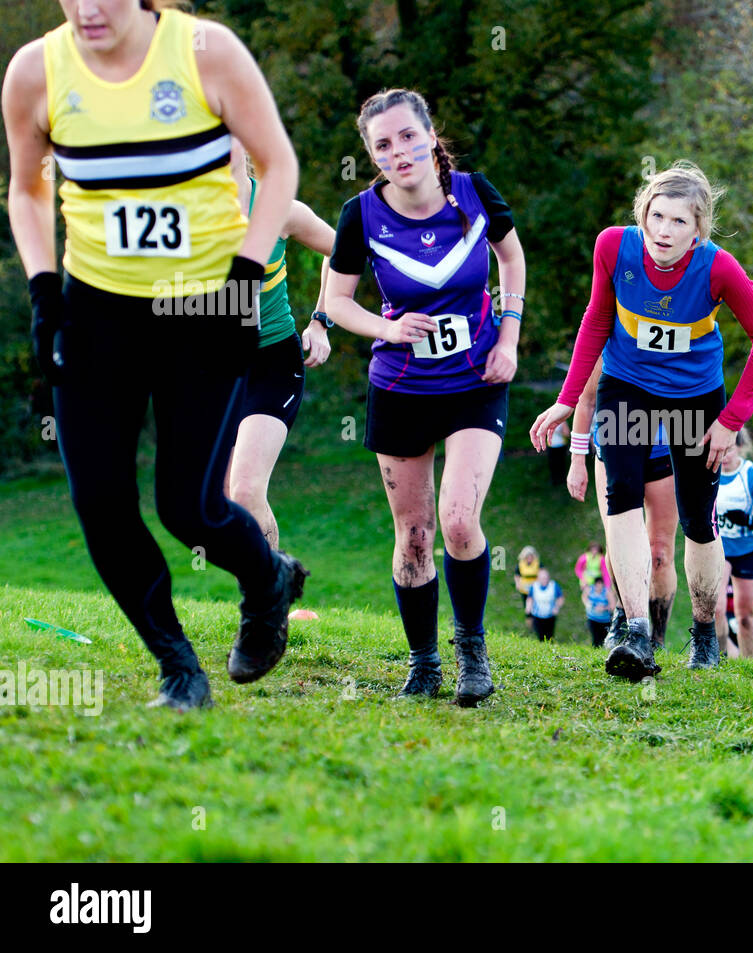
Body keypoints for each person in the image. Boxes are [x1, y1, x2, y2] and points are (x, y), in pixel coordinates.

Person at [3, 0, 309, 711]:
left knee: (190, 508)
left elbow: (280, 167)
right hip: (97, 313)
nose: (88, 8)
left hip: (200, 309)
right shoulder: (35, 72)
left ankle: (267, 581)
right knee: (100, 505)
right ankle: (177, 664)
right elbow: (26, 187)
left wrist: (243, 275)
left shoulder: (206, 52)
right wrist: (45, 289)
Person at [531, 161, 753, 680]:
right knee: (619, 496)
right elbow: (598, 319)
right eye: (656, 217)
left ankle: (705, 634)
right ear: (642, 214)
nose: (663, 231)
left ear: (698, 231)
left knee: (697, 518)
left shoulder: (717, 268)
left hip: (695, 398)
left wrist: (732, 420)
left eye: (678, 223)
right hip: (627, 388)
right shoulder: (612, 247)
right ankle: (637, 632)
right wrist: (567, 398)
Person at [325, 88, 524, 706]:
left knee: (459, 523)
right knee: (412, 536)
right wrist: (386, 328)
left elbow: (512, 260)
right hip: (402, 387)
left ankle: (471, 652)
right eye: (383, 145)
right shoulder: (359, 215)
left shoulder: (475, 193)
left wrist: (509, 338)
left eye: (408, 137)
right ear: (371, 154)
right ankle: (424, 661)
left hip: (474, 381)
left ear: (430, 134)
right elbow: (334, 302)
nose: (399, 152)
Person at [223, 137, 335, 549]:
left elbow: (342, 252)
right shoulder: (185, 217)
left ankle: (270, 603)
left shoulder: (279, 208)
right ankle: (259, 592)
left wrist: (322, 319)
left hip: (272, 362)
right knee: (215, 504)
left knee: (246, 490)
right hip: (215, 370)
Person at [567, 355, 678, 649]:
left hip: (665, 448)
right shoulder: (606, 334)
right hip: (613, 446)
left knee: (660, 553)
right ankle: (623, 616)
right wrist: (577, 460)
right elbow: (586, 400)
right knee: (618, 542)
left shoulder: (680, 325)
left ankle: (657, 636)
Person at [713, 427, 753, 658]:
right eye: (724, 448)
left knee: (746, 615)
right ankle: (717, 658)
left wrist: (749, 520)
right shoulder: (710, 471)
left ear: (740, 447)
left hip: (749, 548)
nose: (727, 454)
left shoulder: (752, 476)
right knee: (717, 607)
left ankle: (747, 664)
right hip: (718, 548)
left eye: (731, 448)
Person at [526, 567, 563, 642]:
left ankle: (550, 648)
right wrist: (528, 608)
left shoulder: (554, 585)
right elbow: (530, 598)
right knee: (540, 635)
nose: (544, 580)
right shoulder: (534, 586)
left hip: (550, 616)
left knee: (549, 635)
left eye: (546, 578)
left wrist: (557, 607)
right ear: (538, 578)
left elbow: (560, 598)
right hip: (537, 615)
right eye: (542, 578)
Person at [515, 545, 540, 632]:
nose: (529, 558)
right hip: (525, 590)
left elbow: (543, 574)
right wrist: (518, 584)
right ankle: (530, 627)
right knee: (527, 608)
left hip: (536, 590)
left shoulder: (538, 564)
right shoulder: (520, 565)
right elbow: (517, 575)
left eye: (531, 556)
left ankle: (538, 624)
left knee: (536, 607)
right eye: (527, 556)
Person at [582, 576, 614, 647]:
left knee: (604, 638)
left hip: (605, 620)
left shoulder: (607, 592)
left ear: (603, 585)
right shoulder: (589, 589)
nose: (599, 587)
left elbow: (613, 606)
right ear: (595, 585)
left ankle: (603, 651)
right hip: (592, 618)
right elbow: (584, 597)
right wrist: (588, 604)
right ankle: (595, 651)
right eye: (597, 585)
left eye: (601, 585)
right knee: (595, 638)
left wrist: (604, 608)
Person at [546, 419, 569, 486]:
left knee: (561, 463)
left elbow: (567, 434)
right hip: (551, 445)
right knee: (552, 463)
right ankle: (553, 480)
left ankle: (562, 480)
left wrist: (558, 431)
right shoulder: (548, 420)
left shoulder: (563, 421)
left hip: (561, 445)